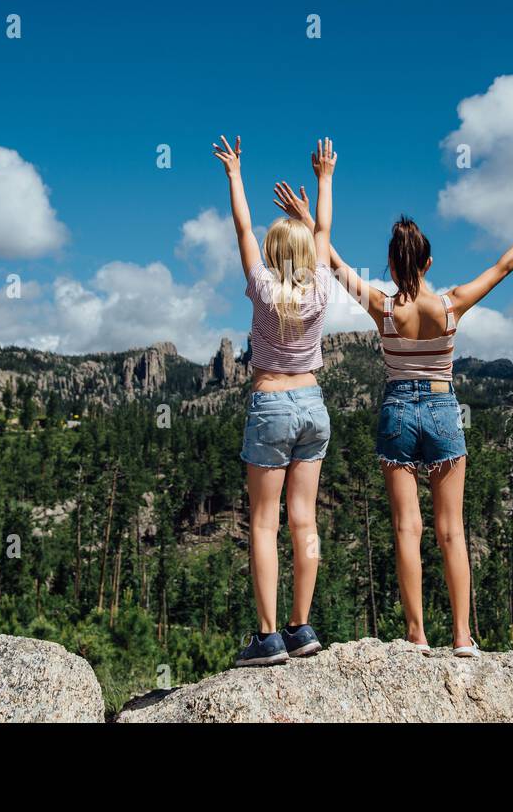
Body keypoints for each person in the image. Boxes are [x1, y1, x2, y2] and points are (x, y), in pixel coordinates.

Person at [274, 181, 513, 655]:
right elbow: (504, 266)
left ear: (392, 264)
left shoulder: (383, 307)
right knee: (451, 530)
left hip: (397, 411)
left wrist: (309, 220)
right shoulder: (452, 304)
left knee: (407, 529)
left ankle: (416, 634)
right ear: (427, 263)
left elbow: (331, 262)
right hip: (442, 408)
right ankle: (463, 636)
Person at [216, 135, 337, 666]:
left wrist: (235, 175)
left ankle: (267, 637)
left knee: (264, 523)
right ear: (309, 255)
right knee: (304, 522)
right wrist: (324, 179)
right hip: (313, 406)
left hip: (271, 406)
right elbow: (325, 231)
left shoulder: (264, 289)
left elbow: (243, 227)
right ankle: (301, 627)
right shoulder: (322, 288)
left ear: (271, 255)